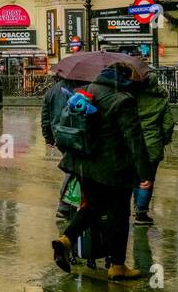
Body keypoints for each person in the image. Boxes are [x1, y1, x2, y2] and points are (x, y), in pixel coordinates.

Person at [50, 63, 153, 280]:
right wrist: (145, 173)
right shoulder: (123, 100)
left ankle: (66, 240)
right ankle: (117, 266)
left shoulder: (84, 92)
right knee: (119, 214)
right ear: (123, 77)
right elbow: (134, 140)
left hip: (81, 163)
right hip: (112, 168)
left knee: (93, 207)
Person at [132, 72, 175, 224]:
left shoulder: (132, 97)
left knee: (136, 177)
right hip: (152, 145)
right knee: (147, 179)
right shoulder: (161, 99)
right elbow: (168, 123)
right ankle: (141, 212)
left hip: (133, 144)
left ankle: (135, 205)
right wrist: (163, 139)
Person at [41, 73, 81, 220]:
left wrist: (48, 137)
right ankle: (65, 206)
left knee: (72, 167)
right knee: (73, 168)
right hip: (75, 134)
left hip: (59, 135)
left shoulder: (51, 91)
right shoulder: (80, 90)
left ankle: (69, 205)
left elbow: (45, 116)